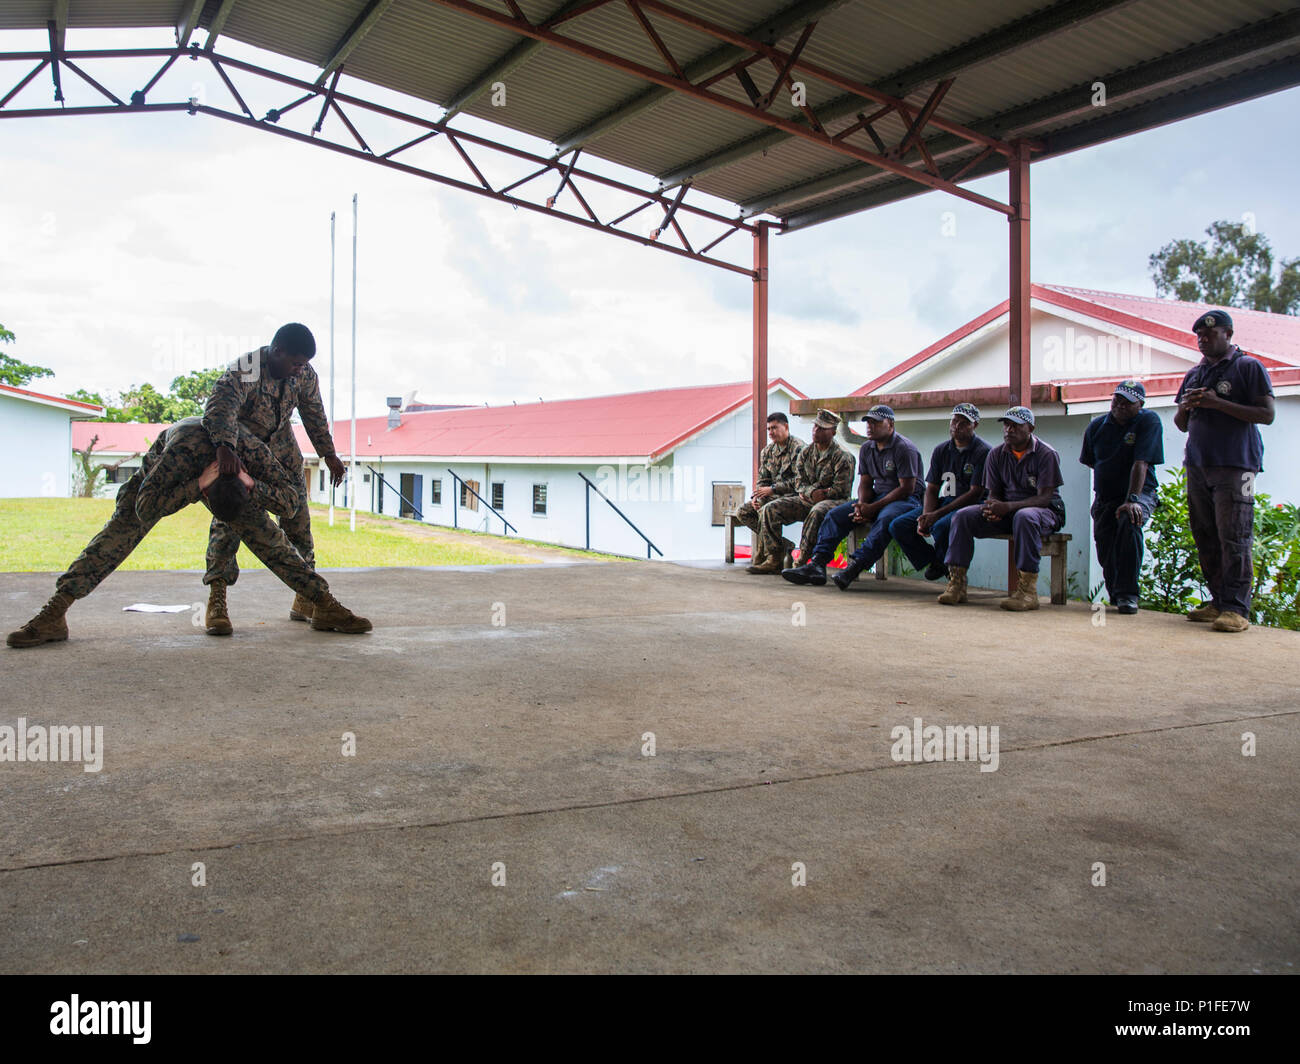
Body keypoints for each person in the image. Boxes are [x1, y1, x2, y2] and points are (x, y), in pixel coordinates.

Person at [6, 418, 370, 648]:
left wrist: (251, 484)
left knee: (271, 540)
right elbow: (145, 507)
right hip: (164, 480)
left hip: (233, 483)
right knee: (113, 538)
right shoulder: (181, 453)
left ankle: (325, 605)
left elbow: (291, 502)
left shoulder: (253, 454)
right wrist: (195, 484)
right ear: (207, 496)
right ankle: (55, 613)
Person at [202, 322, 347, 635]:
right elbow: (219, 409)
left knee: (298, 521)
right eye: (295, 363)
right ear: (277, 351)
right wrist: (225, 449)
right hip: (242, 455)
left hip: (283, 455)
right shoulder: (246, 369)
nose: (299, 370)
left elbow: (314, 412)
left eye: (303, 364)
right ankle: (216, 599)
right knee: (229, 524)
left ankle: (307, 597)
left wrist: (329, 454)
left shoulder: (304, 374)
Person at [1174, 310, 1275, 633]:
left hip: (1236, 466)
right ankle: (1218, 601)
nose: (1203, 341)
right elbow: (1180, 424)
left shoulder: (1248, 367)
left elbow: (1266, 414)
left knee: (1235, 534)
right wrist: (1189, 406)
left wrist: (1218, 403)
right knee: (1205, 534)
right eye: (1199, 337)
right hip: (1199, 465)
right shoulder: (1195, 373)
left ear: (1228, 334)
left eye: (1210, 335)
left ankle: (1236, 608)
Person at [781, 405, 926, 589]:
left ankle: (854, 567)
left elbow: (907, 488)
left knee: (885, 519)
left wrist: (872, 508)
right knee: (834, 515)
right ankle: (817, 564)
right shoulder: (867, 448)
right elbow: (865, 483)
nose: (870, 427)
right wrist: (862, 505)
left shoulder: (904, 448)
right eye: (868, 422)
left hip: (905, 500)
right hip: (877, 497)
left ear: (890, 424)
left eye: (876, 423)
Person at [937, 406, 1065, 610]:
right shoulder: (996, 454)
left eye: (1015, 426)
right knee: (962, 516)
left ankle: (1028, 592)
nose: (1009, 430)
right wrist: (992, 507)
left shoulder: (1046, 454)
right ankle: (957, 584)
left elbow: (1044, 498)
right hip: (1007, 510)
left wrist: (1007, 507)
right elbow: (993, 493)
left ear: (1030, 428)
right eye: (1006, 425)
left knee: (1025, 517)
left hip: (1043, 511)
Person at [1080, 381, 1163, 615]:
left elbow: (1141, 462)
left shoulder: (1149, 421)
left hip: (1139, 493)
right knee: (1104, 543)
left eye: (1128, 402)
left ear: (1141, 404)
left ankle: (1128, 594)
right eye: (1117, 399)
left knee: (1129, 521)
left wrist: (1133, 499)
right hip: (1106, 496)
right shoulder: (1096, 427)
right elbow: (1091, 462)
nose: (1120, 405)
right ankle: (1115, 594)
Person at [890, 403, 991, 582]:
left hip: (971, 506)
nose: (957, 426)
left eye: (964, 422)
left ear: (974, 425)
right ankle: (936, 561)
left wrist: (936, 515)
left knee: (941, 525)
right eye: (954, 421)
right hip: (946, 502)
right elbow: (932, 488)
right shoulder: (942, 450)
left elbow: (975, 493)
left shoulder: (983, 451)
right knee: (899, 525)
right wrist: (927, 514)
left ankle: (953, 574)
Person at [745, 409, 854, 574]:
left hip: (835, 502)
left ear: (832, 431)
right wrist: (811, 492)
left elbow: (842, 489)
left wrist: (822, 494)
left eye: (822, 428)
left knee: (817, 511)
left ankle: (802, 562)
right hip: (807, 498)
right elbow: (799, 481)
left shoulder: (843, 456)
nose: (816, 431)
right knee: (770, 508)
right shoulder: (807, 453)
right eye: (815, 427)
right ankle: (774, 558)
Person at [733, 412, 804, 574]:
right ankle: (782, 546)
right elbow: (762, 480)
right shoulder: (767, 452)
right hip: (771, 498)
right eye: (768, 429)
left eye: (774, 428)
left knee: (767, 508)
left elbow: (800, 482)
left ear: (785, 427)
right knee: (743, 511)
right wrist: (756, 497)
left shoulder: (799, 449)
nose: (771, 432)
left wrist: (773, 489)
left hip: (793, 498)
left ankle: (771, 558)